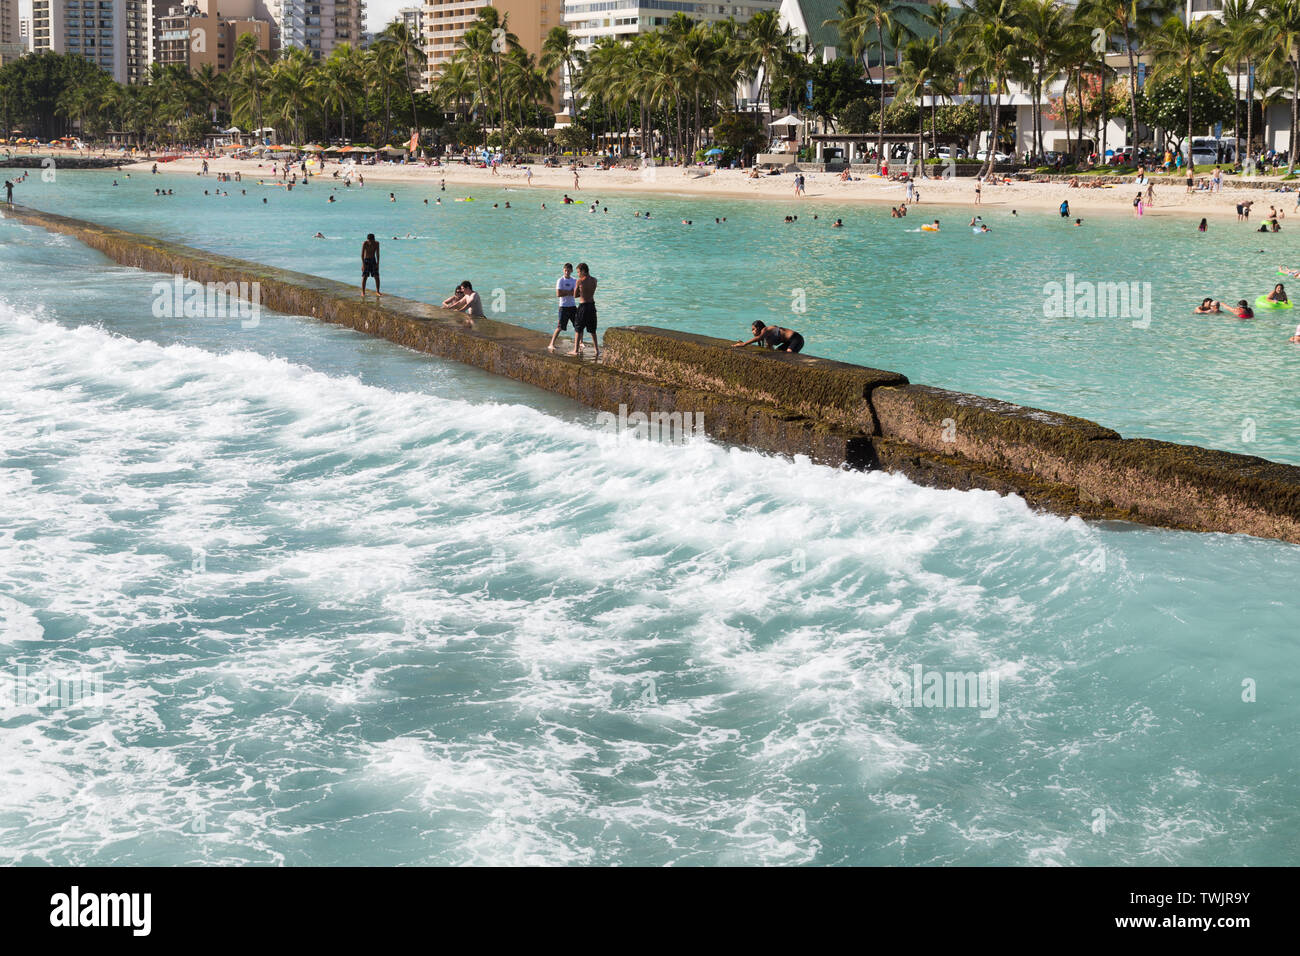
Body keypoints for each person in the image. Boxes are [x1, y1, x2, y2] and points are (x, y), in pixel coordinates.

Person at [547, 262, 579, 352]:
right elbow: (558, 294)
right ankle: (551, 344)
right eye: (565, 271)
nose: (566, 272)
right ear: (563, 270)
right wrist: (570, 292)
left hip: (572, 306)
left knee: (578, 326)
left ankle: (580, 342)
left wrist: (566, 292)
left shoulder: (574, 280)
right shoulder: (560, 280)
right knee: (560, 327)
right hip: (563, 307)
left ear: (571, 271)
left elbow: (576, 293)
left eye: (568, 271)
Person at [572, 262, 599, 358]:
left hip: (583, 306)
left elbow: (575, 295)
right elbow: (590, 292)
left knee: (578, 328)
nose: (578, 274)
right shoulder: (594, 280)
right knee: (592, 330)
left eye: (578, 272)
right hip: (592, 306)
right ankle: (596, 349)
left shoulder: (580, 281)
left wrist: (581, 293)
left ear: (583, 271)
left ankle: (575, 350)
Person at [732, 320, 804, 353]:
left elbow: (758, 338)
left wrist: (744, 344)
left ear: (759, 328)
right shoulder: (767, 338)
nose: (752, 332)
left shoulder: (766, 330)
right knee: (778, 352)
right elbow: (769, 350)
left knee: (789, 353)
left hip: (796, 339)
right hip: (788, 342)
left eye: (753, 329)